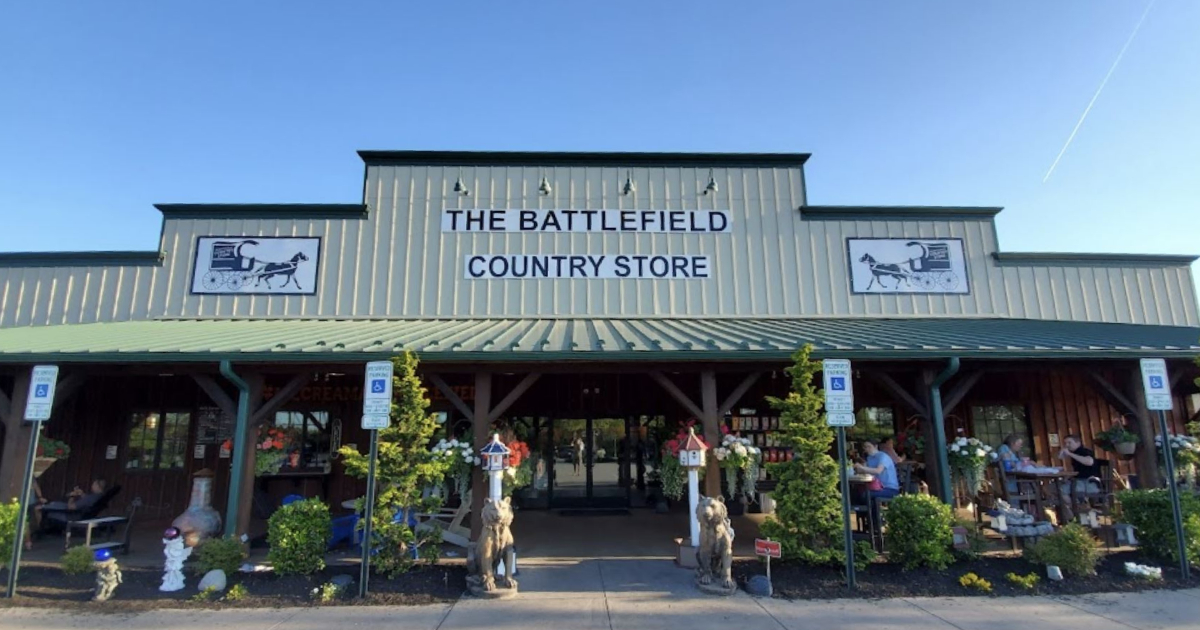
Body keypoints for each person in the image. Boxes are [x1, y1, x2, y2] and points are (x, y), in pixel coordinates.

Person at [1058, 434, 1100, 521]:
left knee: (1062, 490)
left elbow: (1089, 462)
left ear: (1078, 442)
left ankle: (1076, 511)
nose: (1067, 445)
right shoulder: (1075, 454)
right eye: (1065, 443)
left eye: (1069, 442)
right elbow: (1077, 471)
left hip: (1090, 483)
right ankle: (1075, 510)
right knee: (1057, 488)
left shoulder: (1084, 451)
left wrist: (1070, 454)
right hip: (1078, 481)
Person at [41, 479, 108, 525]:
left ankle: (41, 530)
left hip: (71, 516)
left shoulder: (90, 498)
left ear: (97, 486)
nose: (92, 486)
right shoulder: (100, 497)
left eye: (93, 484)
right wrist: (81, 494)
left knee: (45, 511)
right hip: (82, 515)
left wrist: (72, 496)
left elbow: (71, 507)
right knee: (54, 504)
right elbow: (87, 500)